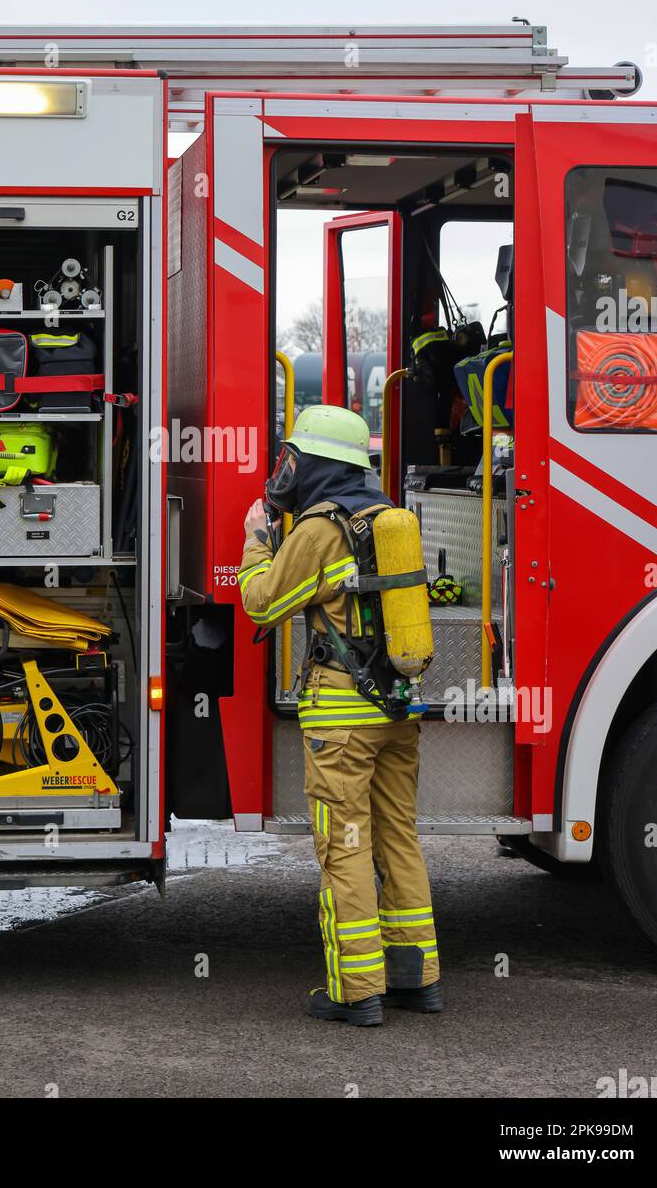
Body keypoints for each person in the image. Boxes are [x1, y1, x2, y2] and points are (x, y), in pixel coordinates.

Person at [238, 404, 442, 1027]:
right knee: (397, 837)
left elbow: (261, 604)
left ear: (319, 464)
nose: (288, 469)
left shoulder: (322, 530)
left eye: (297, 458)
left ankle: (356, 991)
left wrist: (255, 538)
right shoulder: (386, 518)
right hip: (395, 715)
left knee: (344, 844)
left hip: (340, 721)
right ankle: (416, 977)